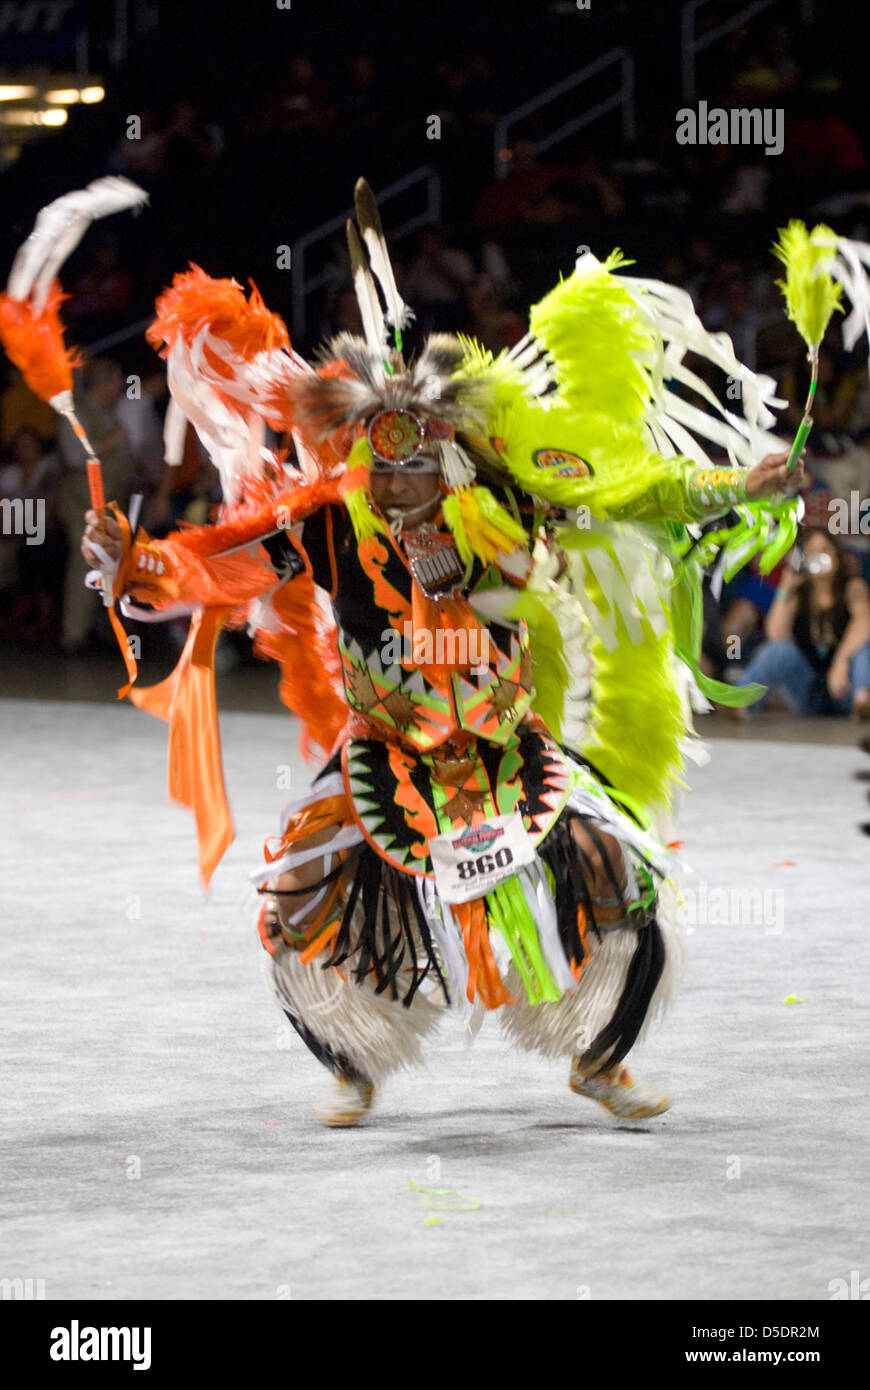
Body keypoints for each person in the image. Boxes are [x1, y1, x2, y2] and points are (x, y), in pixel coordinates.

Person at [77, 182, 798, 1130]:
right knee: (296, 899)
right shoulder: (330, 527)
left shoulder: (510, 507)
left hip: (505, 750)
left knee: (625, 882)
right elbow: (218, 568)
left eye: (417, 463)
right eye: (383, 465)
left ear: (453, 454)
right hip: (387, 753)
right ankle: (353, 1063)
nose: (399, 481)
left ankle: (598, 1057)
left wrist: (733, 484)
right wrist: (135, 564)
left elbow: (629, 491)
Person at [738, 529, 870, 719]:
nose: (819, 556)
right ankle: (742, 701)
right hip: (808, 690)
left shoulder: (852, 586)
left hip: (846, 688)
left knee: (864, 646)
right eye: (812, 551)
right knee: (779, 650)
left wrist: (841, 661)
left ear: (837, 556)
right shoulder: (798, 593)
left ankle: (863, 702)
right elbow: (775, 635)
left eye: (825, 549)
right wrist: (786, 585)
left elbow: (865, 621)